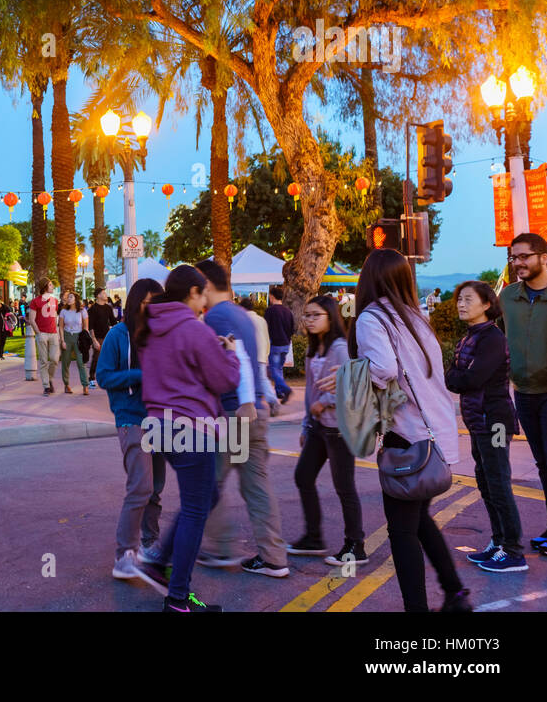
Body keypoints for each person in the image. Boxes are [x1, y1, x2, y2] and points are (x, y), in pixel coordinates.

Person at [335, 248, 466, 612]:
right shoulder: (415, 317)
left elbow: (384, 368)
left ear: (368, 279)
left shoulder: (372, 318)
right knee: (419, 519)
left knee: (402, 531)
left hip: (405, 436)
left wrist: (350, 378)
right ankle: (455, 593)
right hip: (434, 435)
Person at [138, 265, 240, 612]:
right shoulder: (194, 331)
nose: (204, 303)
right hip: (191, 429)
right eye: (202, 295)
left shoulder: (149, 328)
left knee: (205, 496)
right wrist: (229, 353)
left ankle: (159, 561)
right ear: (192, 293)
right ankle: (178, 599)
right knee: (197, 510)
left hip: (158, 427)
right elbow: (224, 380)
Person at [192, 259, 289, 578]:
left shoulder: (216, 317)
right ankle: (274, 556)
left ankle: (220, 548)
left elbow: (235, 364)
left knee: (207, 482)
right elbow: (257, 364)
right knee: (256, 485)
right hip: (255, 411)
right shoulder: (243, 316)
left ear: (205, 284)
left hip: (233, 413)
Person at [447, 280, 524, 571]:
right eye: (459, 299)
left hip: (495, 423)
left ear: (487, 304)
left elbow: (469, 379)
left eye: (468, 299)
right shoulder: (469, 337)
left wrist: (457, 377)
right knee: (486, 483)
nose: (461, 304)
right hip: (478, 422)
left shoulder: (491, 338)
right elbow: (453, 377)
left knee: (498, 484)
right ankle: (499, 541)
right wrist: (457, 377)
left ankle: (514, 551)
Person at [98, 277, 168, 589]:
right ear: (136, 302)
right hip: (130, 418)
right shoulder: (117, 334)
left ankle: (150, 547)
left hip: (159, 421)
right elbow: (103, 376)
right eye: (149, 302)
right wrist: (140, 375)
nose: (154, 308)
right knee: (140, 486)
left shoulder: (159, 336)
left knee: (154, 489)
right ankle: (125, 555)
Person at [289, 294, 365, 566]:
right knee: (303, 476)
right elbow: (310, 390)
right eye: (306, 315)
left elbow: (350, 388)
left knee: (344, 487)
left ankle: (355, 545)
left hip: (340, 429)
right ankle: (313, 537)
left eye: (315, 315)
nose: (308, 320)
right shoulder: (314, 349)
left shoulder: (340, 348)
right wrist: (306, 424)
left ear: (330, 317)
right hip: (319, 428)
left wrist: (325, 403)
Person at [498, 232, 547, 557]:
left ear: (544, 257)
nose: (518, 263)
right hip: (525, 393)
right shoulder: (507, 298)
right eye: (513, 257)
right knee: (543, 463)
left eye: (524, 256)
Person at [28, 279, 61, 396]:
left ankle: (49, 378)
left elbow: (55, 317)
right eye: (51, 285)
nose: (52, 286)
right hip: (42, 334)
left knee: (54, 359)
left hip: (53, 333)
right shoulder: (35, 301)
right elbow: (32, 319)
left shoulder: (55, 301)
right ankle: (46, 385)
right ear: (45, 287)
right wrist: (38, 333)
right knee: (43, 361)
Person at [265, 286, 295, 403]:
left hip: (275, 344)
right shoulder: (288, 312)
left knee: (273, 370)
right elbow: (292, 328)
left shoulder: (270, 311)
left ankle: (285, 389)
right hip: (286, 344)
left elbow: (265, 328)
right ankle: (279, 391)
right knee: (279, 368)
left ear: (272, 297)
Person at [59, 290, 89, 394]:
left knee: (81, 362)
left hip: (78, 337)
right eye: (68, 297)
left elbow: (86, 327)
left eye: (71, 297)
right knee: (65, 362)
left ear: (76, 299)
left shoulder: (82, 311)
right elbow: (61, 327)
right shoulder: (63, 311)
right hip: (67, 336)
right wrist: (62, 340)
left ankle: (85, 385)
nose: (68, 299)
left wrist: (85, 341)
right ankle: (66, 385)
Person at [88, 290, 116, 384]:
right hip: (97, 337)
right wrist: (94, 340)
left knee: (109, 358)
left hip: (108, 336)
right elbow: (90, 326)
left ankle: (107, 377)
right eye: (103, 293)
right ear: (98, 295)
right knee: (96, 357)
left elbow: (113, 322)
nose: (106, 295)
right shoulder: (92, 309)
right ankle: (92, 378)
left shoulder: (108, 308)